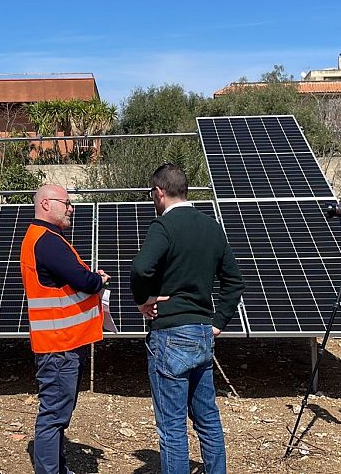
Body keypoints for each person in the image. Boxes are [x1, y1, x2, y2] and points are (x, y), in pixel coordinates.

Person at [131, 164, 244, 474]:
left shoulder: (163, 227)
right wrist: (219, 320)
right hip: (202, 334)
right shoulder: (212, 227)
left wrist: (143, 300)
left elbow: (141, 268)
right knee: (207, 418)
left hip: (170, 335)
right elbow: (234, 280)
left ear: (159, 192)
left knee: (172, 428)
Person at [20, 183, 109, 474]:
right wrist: (98, 281)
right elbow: (80, 279)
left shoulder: (42, 238)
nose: (71, 208)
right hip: (59, 345)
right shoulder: (46, 240)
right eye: (67, 202)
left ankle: (58, 467)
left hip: (60, 343)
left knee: (57, 413)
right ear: (46, 204)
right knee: (54, 415)